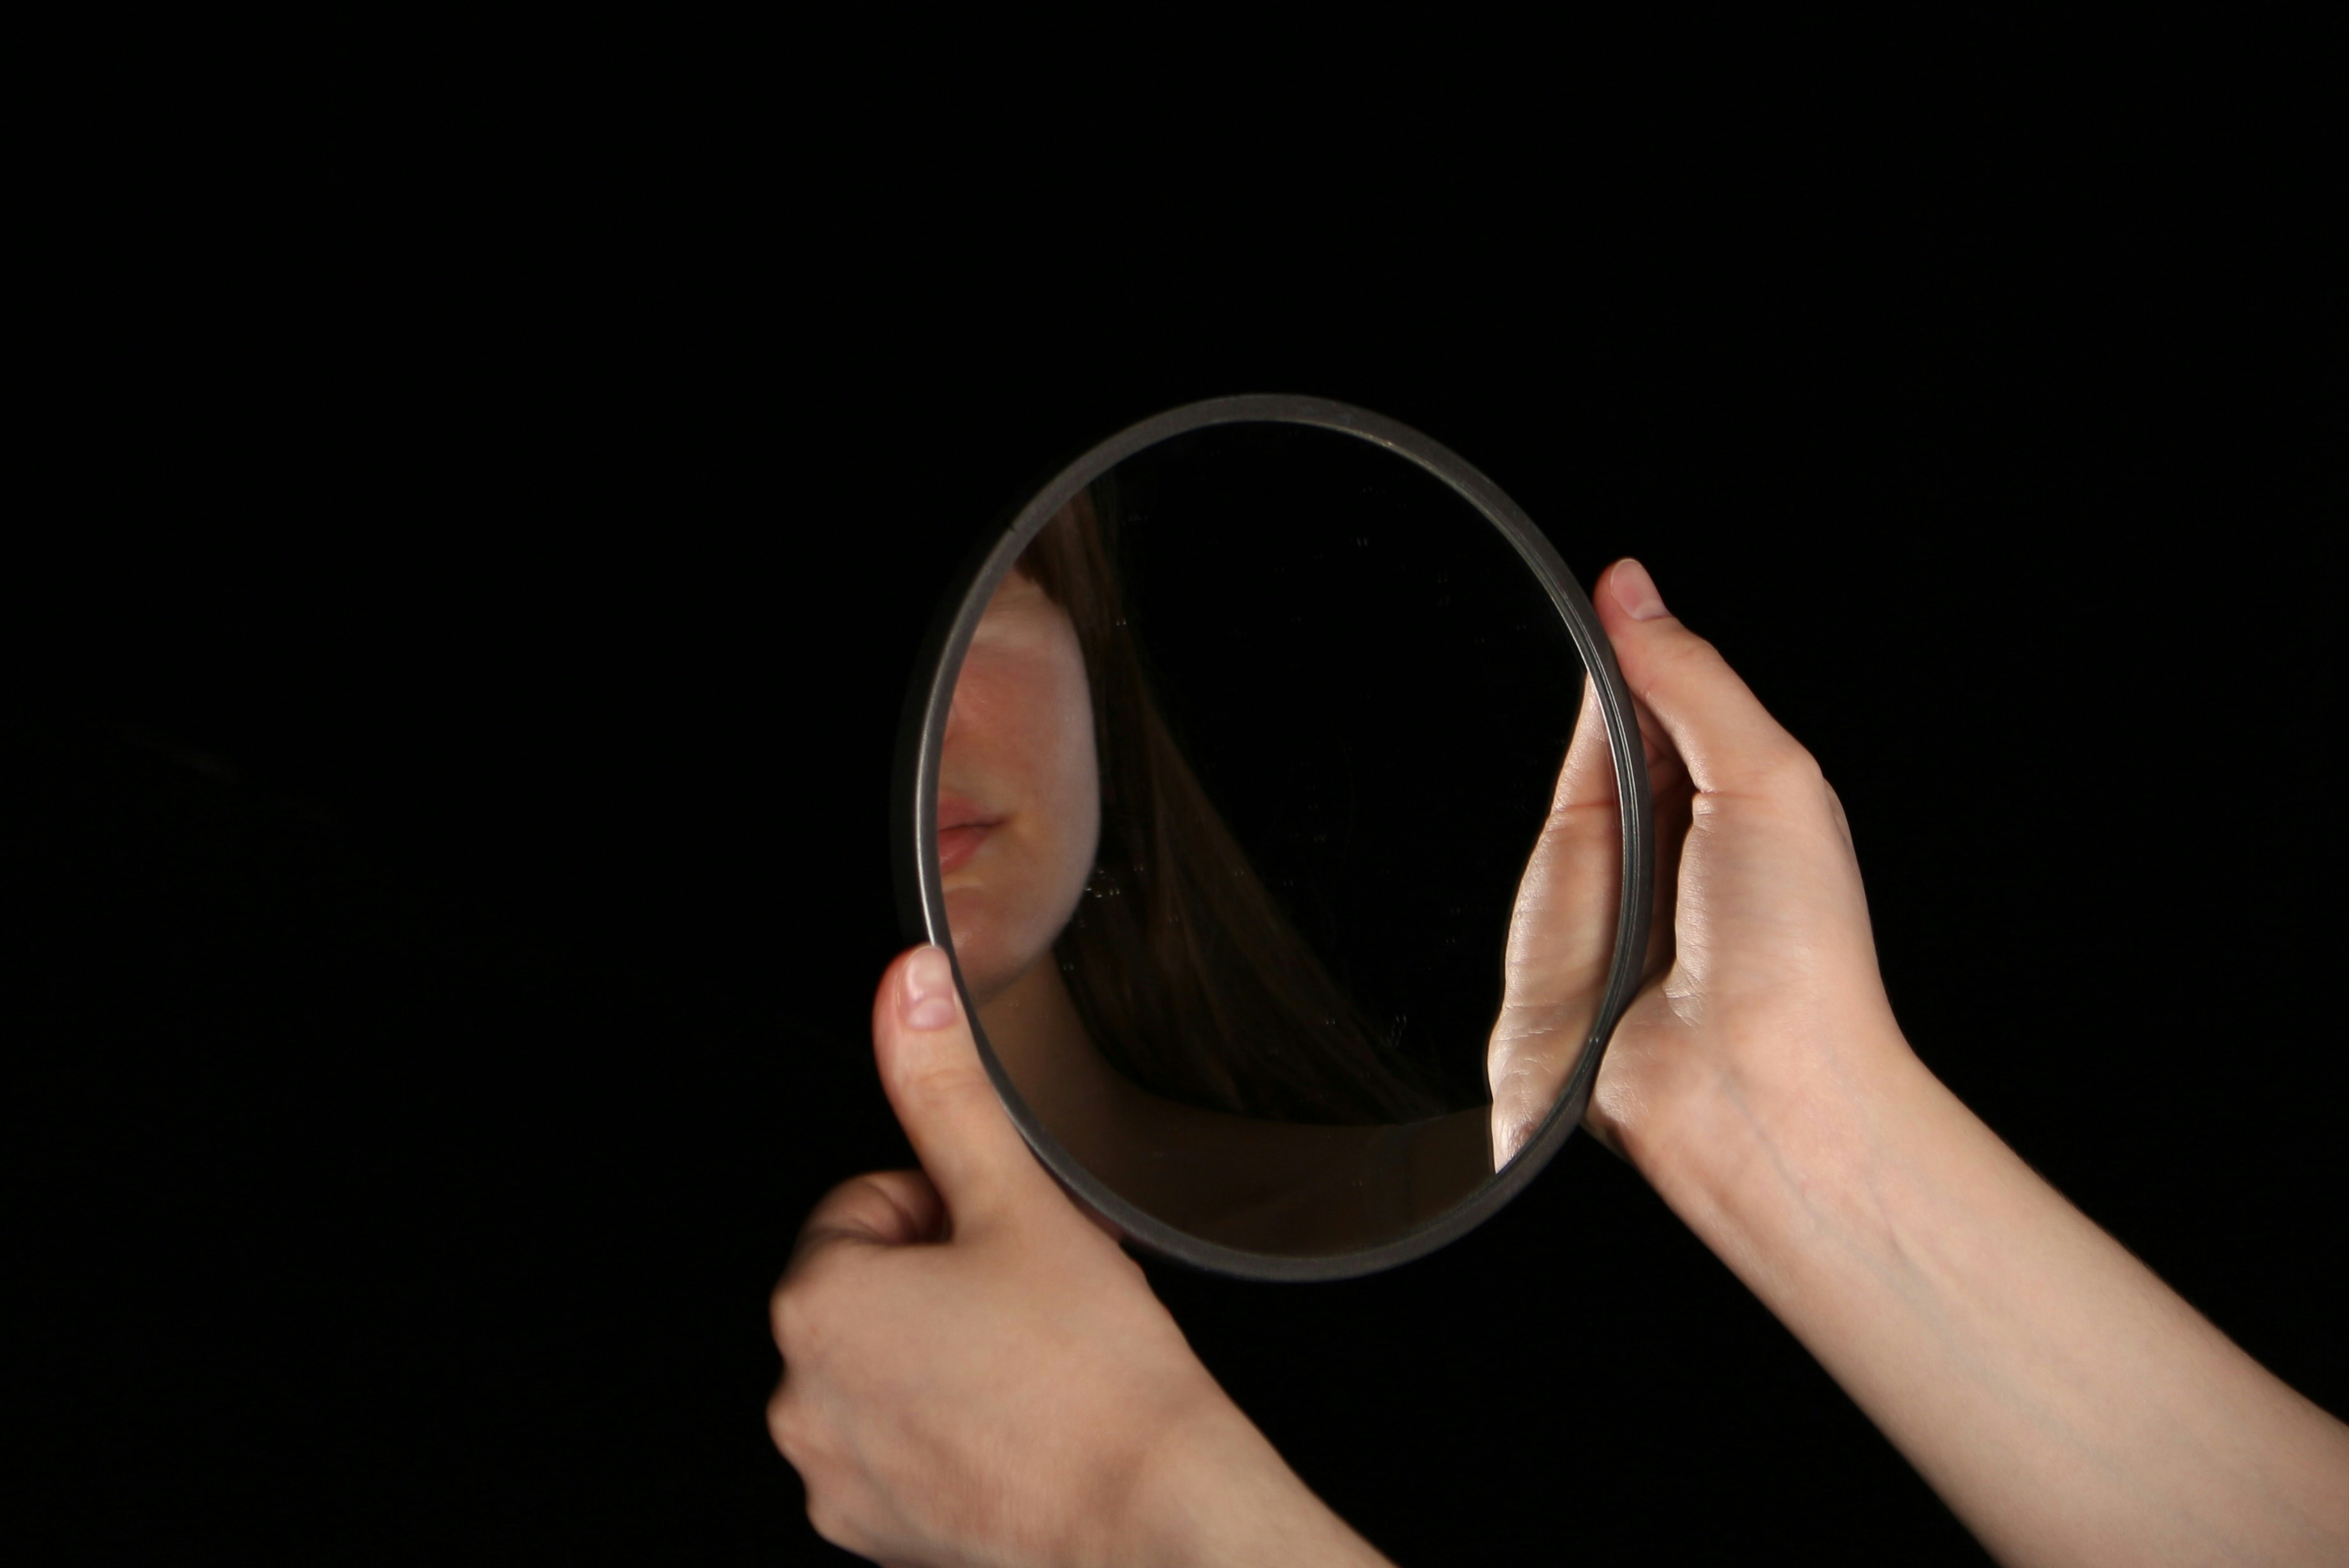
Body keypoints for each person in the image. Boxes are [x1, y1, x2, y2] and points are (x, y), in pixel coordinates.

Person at [768, 559, 2349, 1566]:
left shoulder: (1502, 1291)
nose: (935, 700)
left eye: (994, 591)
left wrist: (1123, 1506)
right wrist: (1779, 1117)